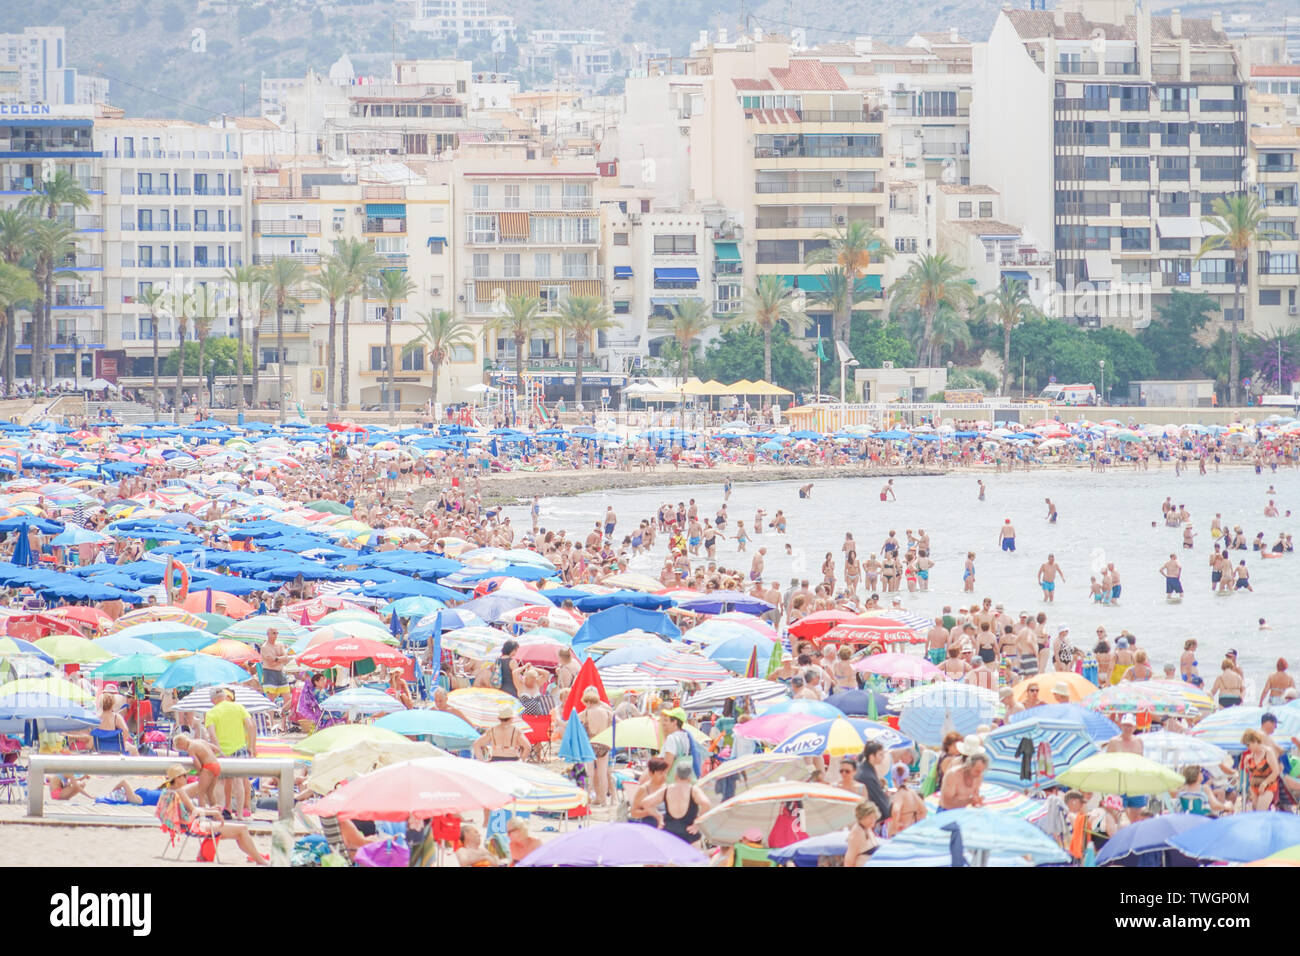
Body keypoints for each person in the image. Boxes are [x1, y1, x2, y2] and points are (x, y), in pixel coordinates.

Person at [155, 764, 268, 865]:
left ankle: (256, 857)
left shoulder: (166, 792)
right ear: (178, 778)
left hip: (185, 826)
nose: (186, 778)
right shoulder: (179, 792)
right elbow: (195, 811)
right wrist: (213, 812)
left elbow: (189, 810)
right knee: (242, 829)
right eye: (184, 776)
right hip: (194, 826)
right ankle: (259, 859)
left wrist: (210, 809)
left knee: (239, 831)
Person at [203, 686, 257, 819]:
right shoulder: (238, 707)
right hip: (239, 748)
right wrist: (251, 746)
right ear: (224, 696)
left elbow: (212, 734)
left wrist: (219, 750)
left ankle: (221, 810)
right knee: (239, 781)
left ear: (213, 700)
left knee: (220, 782)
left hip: (222, 751)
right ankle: (239, 814)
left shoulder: (211, 713)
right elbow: (250, 725)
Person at [648, 763, 711, 843]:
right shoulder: (693, 790)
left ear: (675, 776)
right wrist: (697, 823)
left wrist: (659, 818)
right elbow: (706, 804)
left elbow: (647, 803)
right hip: (689, 833)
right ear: (690, 777)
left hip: (669, 832)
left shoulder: (667, 789)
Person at [578, 686, 614, 806]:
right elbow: (616, 723)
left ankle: (587, 799)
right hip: (604, 744)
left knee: (590, 773)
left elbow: (571, 723)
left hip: (591, 744)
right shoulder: (607, 710)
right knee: (602, 773)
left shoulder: (586, 713)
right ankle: (602, 800)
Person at [172, 733, 222, 808]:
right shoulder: (201, 741)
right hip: (216, 765)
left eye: (181, 749)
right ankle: (215, 814)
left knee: (201, 793)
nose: (184, 750)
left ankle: (202, 815)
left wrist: (198, 773)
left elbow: (197, 765)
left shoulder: (190, 749)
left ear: (181, 744)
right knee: (210, 793)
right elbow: (217, 749)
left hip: (208, 767)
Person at [853, 740, 892, 822]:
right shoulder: (867, 775)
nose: (883, 757)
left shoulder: (865, 770)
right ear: (872, 756)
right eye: (880, 755)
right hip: (869, 816)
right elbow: (877, 800)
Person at [1241, 729, 1280, 811]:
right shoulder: (1252, 754)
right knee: (1256, 813)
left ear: (1255, 741)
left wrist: (1264, 783)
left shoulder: (1268, 752)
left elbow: (1276, 771)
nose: (1247, 747)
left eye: (1248, 745)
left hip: (1268, 786)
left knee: (1260, 811)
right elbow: (1252, 772)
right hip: (1254, 787)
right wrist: (1246, 765)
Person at [939, 743, 987, 809]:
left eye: (981, 771)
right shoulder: (953, 773)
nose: (979, 774)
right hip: (947, 811)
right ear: (969, 766)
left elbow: (975, 796)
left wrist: (977, 801)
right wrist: (970, 801)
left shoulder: (979, 775)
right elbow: (947, 803)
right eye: (977, 771)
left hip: (963, 810)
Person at [888, 763, 927, 835]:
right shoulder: (912, 793)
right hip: (912, 829)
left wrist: (896, 824)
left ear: (893, 779)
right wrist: (917, 822)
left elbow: (896, 811)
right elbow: (924, 810)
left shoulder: (899, 794)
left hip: (901, 831)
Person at [843, 801, 882, 866]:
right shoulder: (857, 833)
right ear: (862, 817)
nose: (873, 821)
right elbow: (849, 860)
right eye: (871, 818)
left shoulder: (867, 829)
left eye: (874, 818)